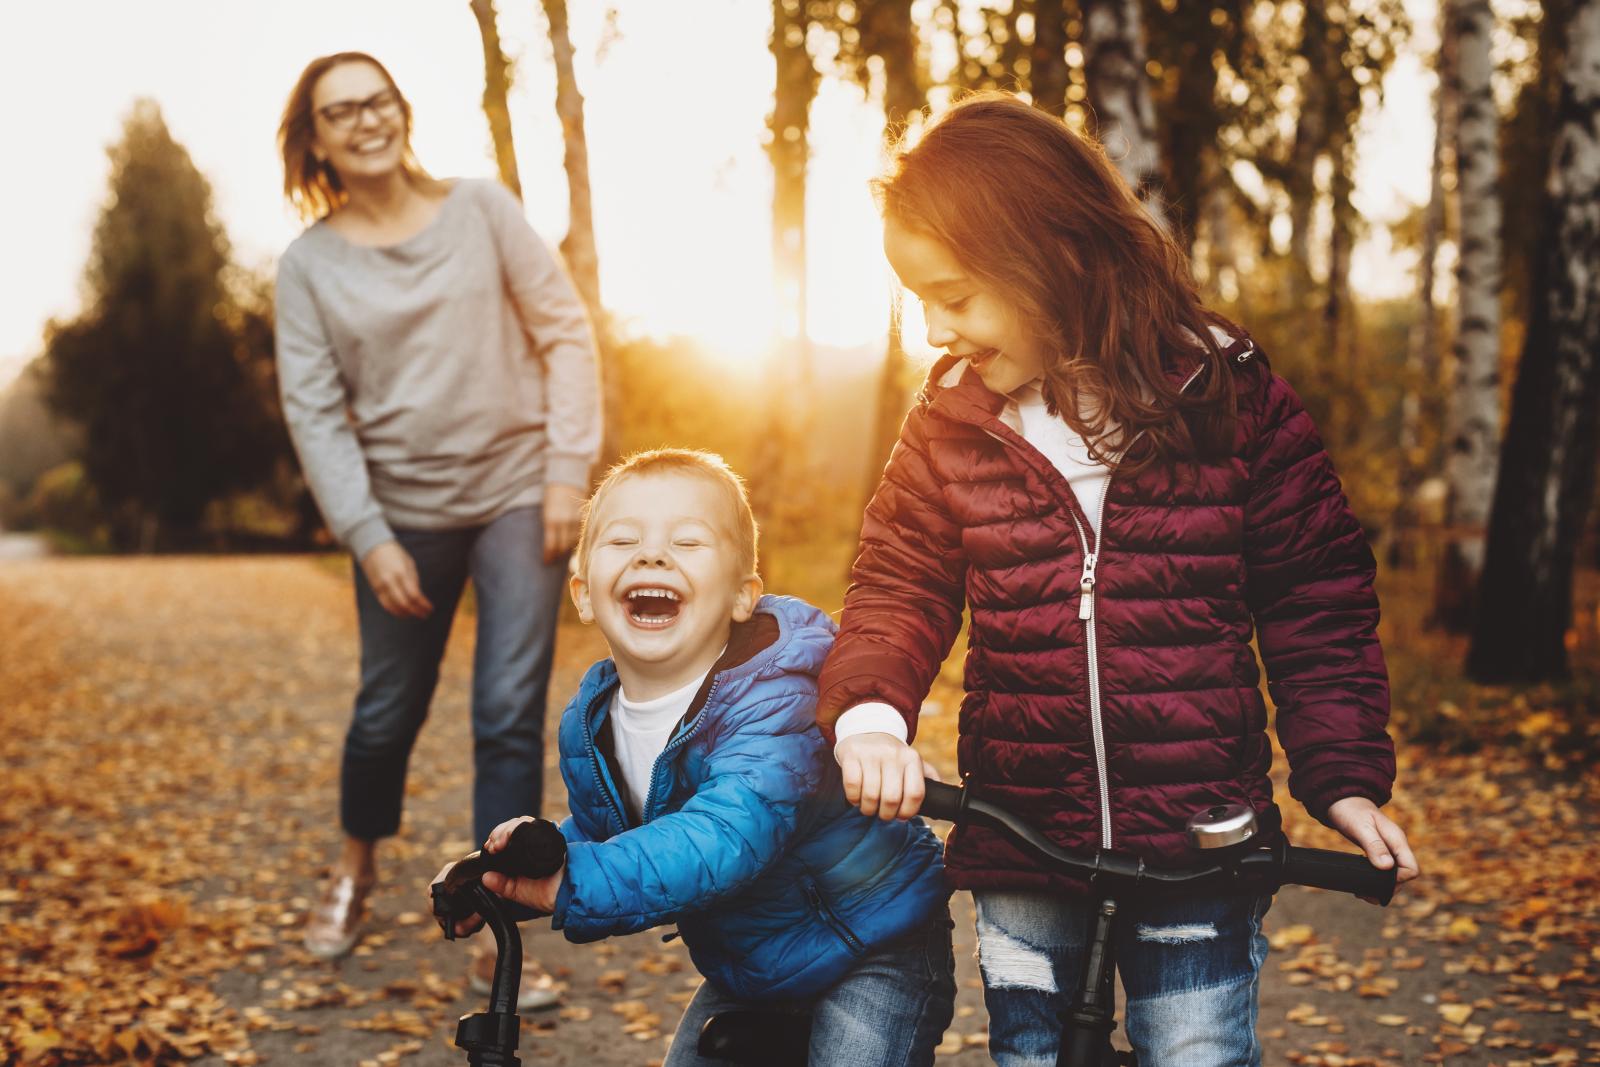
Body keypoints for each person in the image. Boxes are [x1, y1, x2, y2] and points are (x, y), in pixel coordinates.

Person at [818, 93, 1420, 1067]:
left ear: (1053, 255)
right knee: (1035, 1053)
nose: (934, 328)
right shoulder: (951, 424)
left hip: (1200, 840)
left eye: (956, 294)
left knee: (1194, 1049)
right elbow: (897, 583)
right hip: (1024, 830)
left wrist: (1343, 775)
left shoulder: (1226, 396)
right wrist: (871, 716)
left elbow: (1316, 594)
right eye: (917, 299)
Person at [438, 449, 955, 1066]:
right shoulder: (589, 725)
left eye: (686, 541)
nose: (652, 555)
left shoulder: (779, 696)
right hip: (753, 966)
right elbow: (621, 835)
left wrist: (575, 882)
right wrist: (510, 877)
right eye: (624, 539)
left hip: (874, 942)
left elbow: (724, 836)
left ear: (743, 596)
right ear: (582, 595)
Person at [273, 51, 600, 1007]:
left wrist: (565, 474)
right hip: (400, 513)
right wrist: (367, 533)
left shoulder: (482, 209)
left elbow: (564, 330)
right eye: (341, 112)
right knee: (386, 712)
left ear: (402, 111)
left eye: (377, 100)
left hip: (513, 493)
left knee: (505, 711)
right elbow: (316, 409)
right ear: (317, 139)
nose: (364, 120)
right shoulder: (309, 266)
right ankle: (355, 871)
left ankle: (492, 920)